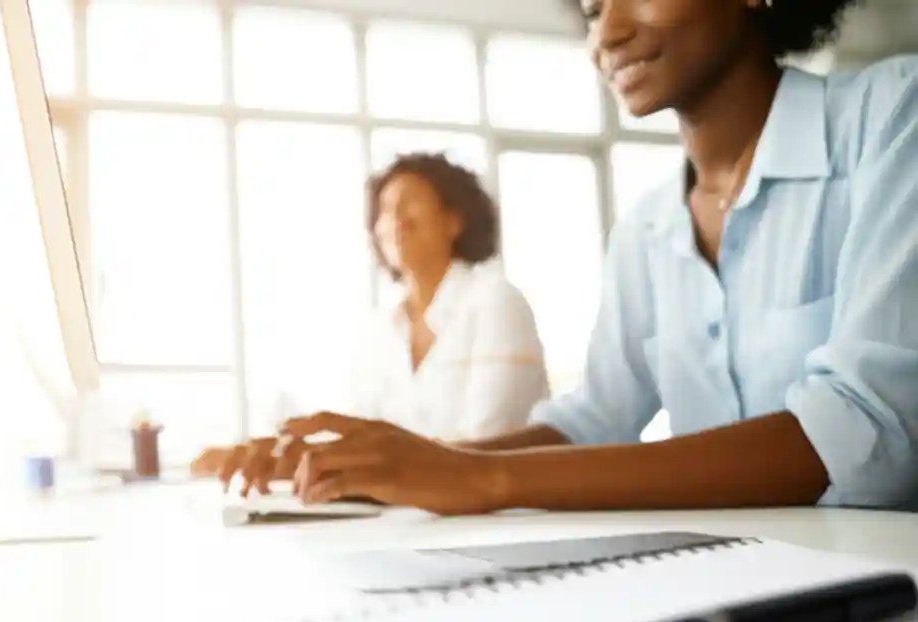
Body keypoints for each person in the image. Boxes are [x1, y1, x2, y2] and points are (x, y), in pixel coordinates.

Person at [263, 0, 918, 514]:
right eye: (593, 7)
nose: (606, 35)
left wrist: (484, 477)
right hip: (723, 577)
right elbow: (597, 418)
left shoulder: (892, 118)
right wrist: (386, 465)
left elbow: (862, 430)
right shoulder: (647, 228)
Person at [194, 153, 549, 494]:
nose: (393, 219)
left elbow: (484, 451)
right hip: (406, 521)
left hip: (501, 521)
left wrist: (347, 466)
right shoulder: (380, 329)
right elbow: (361, 439)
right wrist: (286, 456)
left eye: (408, 202)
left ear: (454, 220)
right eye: (383, 210)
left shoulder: (495, 302)